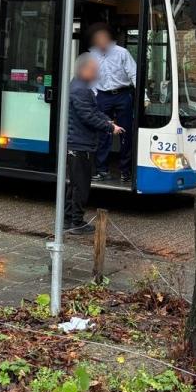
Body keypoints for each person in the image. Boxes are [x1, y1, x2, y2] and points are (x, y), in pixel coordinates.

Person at [66, 52, 125, 234]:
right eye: (94, 69)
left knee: (74, 185)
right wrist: (109, 128)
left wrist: (108, 122)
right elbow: (88, 116)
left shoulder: (80, 86)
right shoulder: (80, 89)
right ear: (84, 69)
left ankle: (69, 220)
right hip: (79, 144)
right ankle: (76, 222)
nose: (97, 73)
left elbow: (94, 111)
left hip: (79, 143)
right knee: (80, 186)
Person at [88, 23, 137, 183]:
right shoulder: (91, 56)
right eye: (98, 38)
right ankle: (101, 170)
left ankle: (125, 170)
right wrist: (95, 95)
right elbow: (90, 78)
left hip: (122, 95)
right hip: (103, 96)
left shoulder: (122, 53)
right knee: (103, 133)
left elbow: (134, 73)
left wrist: (143, 97)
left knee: (125, 133)